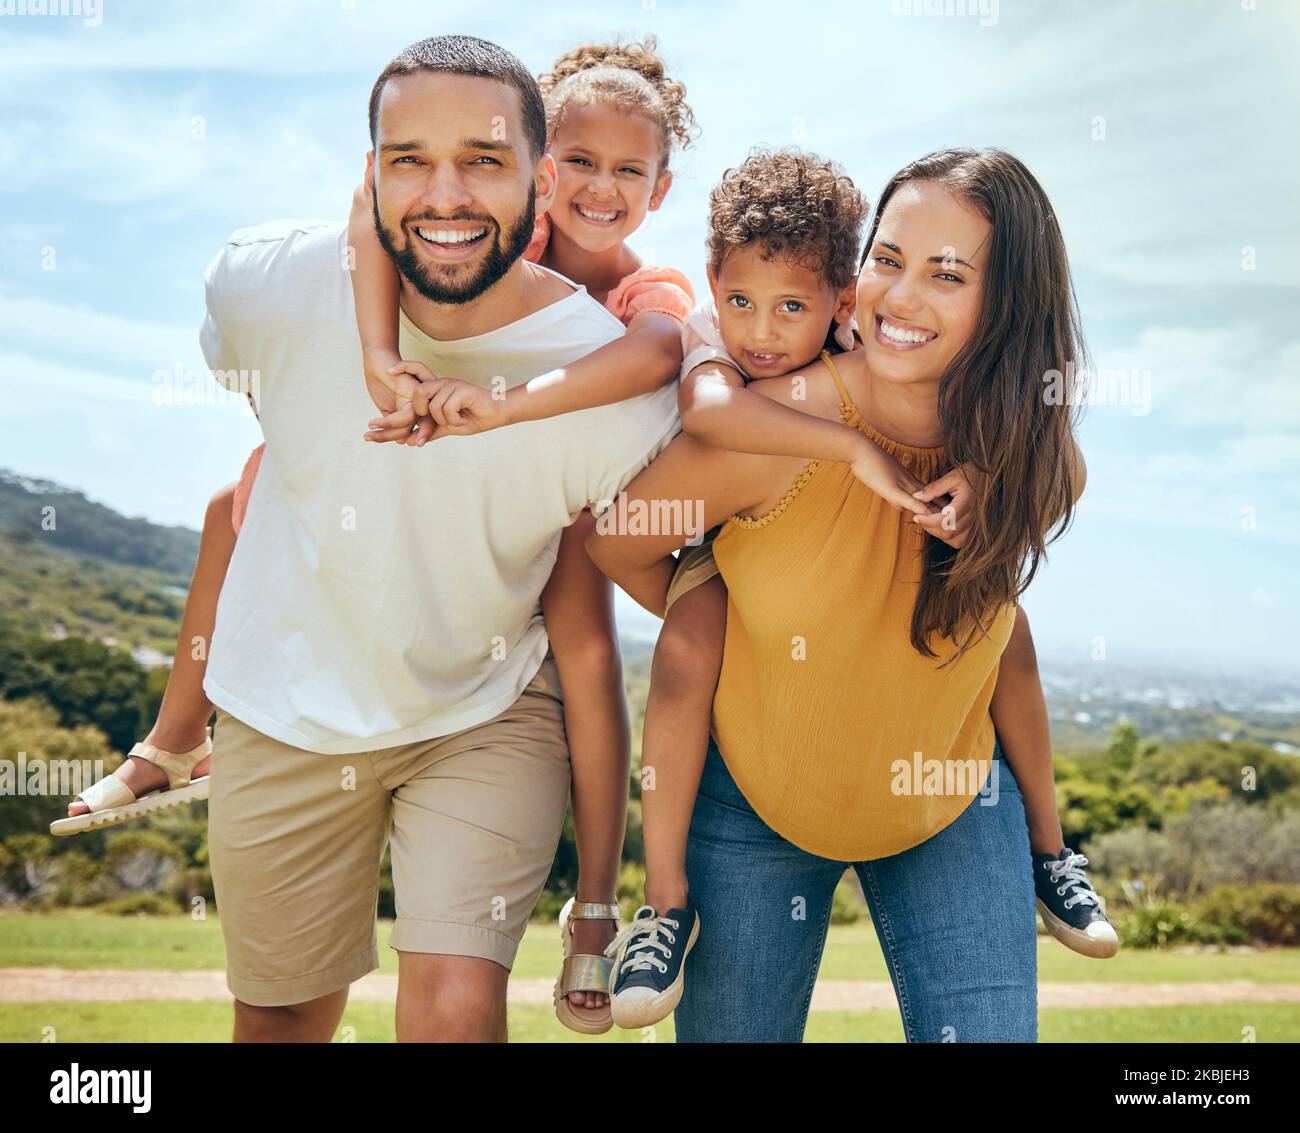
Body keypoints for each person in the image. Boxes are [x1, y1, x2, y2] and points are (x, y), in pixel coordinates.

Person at [199, 34, 677, 1043]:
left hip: (481, 708)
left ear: (537, 180)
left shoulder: (614, 382)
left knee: (456, 1010)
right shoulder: (264, 287)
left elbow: (663, 565)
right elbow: (271, 433)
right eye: (409, 160)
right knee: (281, 1013)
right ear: (369, 173)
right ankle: (165, 743)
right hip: (286, 700)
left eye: (484, 160)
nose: (445, 193)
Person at [588, 148, 1102, 1041]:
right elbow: (616, 538)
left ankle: (1054, 856)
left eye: (947, 275)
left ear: (1011, 300)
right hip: (754, 802)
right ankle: (660, 905)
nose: (901, 298)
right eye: (888, 260)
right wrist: (711, 605)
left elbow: (1064, 471)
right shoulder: (778, 425)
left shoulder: (1029, 451)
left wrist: (993, 465)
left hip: (953, 803)